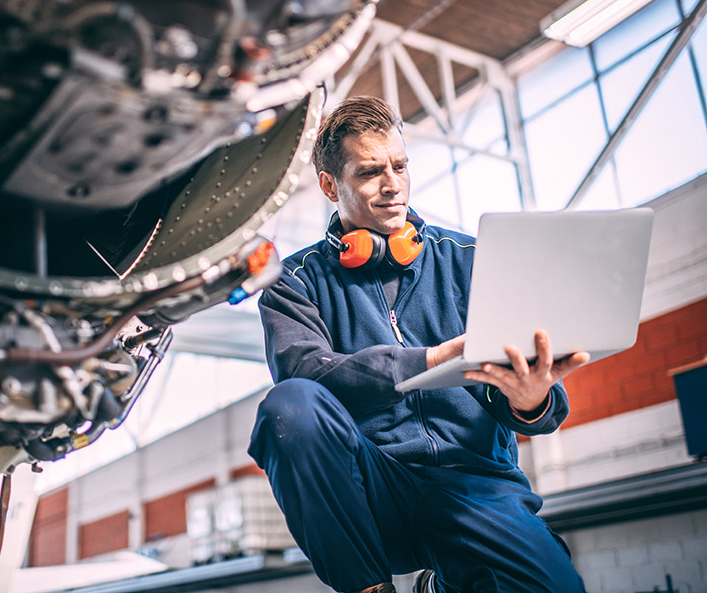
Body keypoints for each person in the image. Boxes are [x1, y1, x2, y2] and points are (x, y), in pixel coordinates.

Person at [247, 96, 591, 593]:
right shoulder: (294, 282)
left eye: (400, 166)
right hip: (369, 488)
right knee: (289, 406)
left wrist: (531, 398)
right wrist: (433, 358)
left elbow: (545, 413)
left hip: (475, 484)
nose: (392, 185)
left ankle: (443, 584)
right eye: (369, 173)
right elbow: (308, 376)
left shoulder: (471, 259)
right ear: (329, 185)